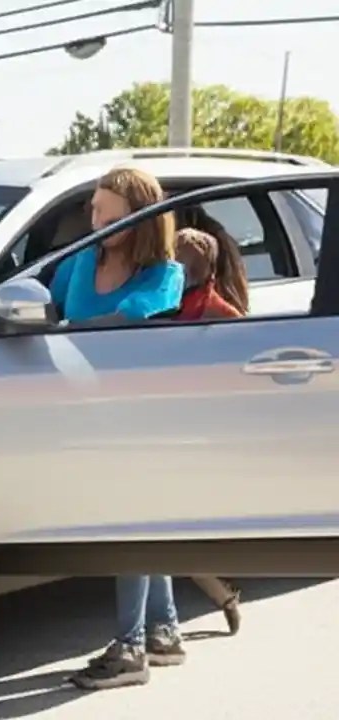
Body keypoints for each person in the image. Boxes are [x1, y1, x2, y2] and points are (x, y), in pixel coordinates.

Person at [55, 167, 186, 691]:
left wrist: (68, 333)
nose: (98, 220)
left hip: (141, 411)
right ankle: (165, 632)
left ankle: (131, 648)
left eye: (110, 213)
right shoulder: (77, 263)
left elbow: (127, 320)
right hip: (81, 408)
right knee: (139, 519)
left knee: (129, 521)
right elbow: (48, 311)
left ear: (143, 218)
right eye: (93, 210)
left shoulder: (165, 274)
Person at [173, 226, 247, 634]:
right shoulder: (169, 302)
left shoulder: (218, 311)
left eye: (190, 261)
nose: (184, 266)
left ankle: (223, 596)